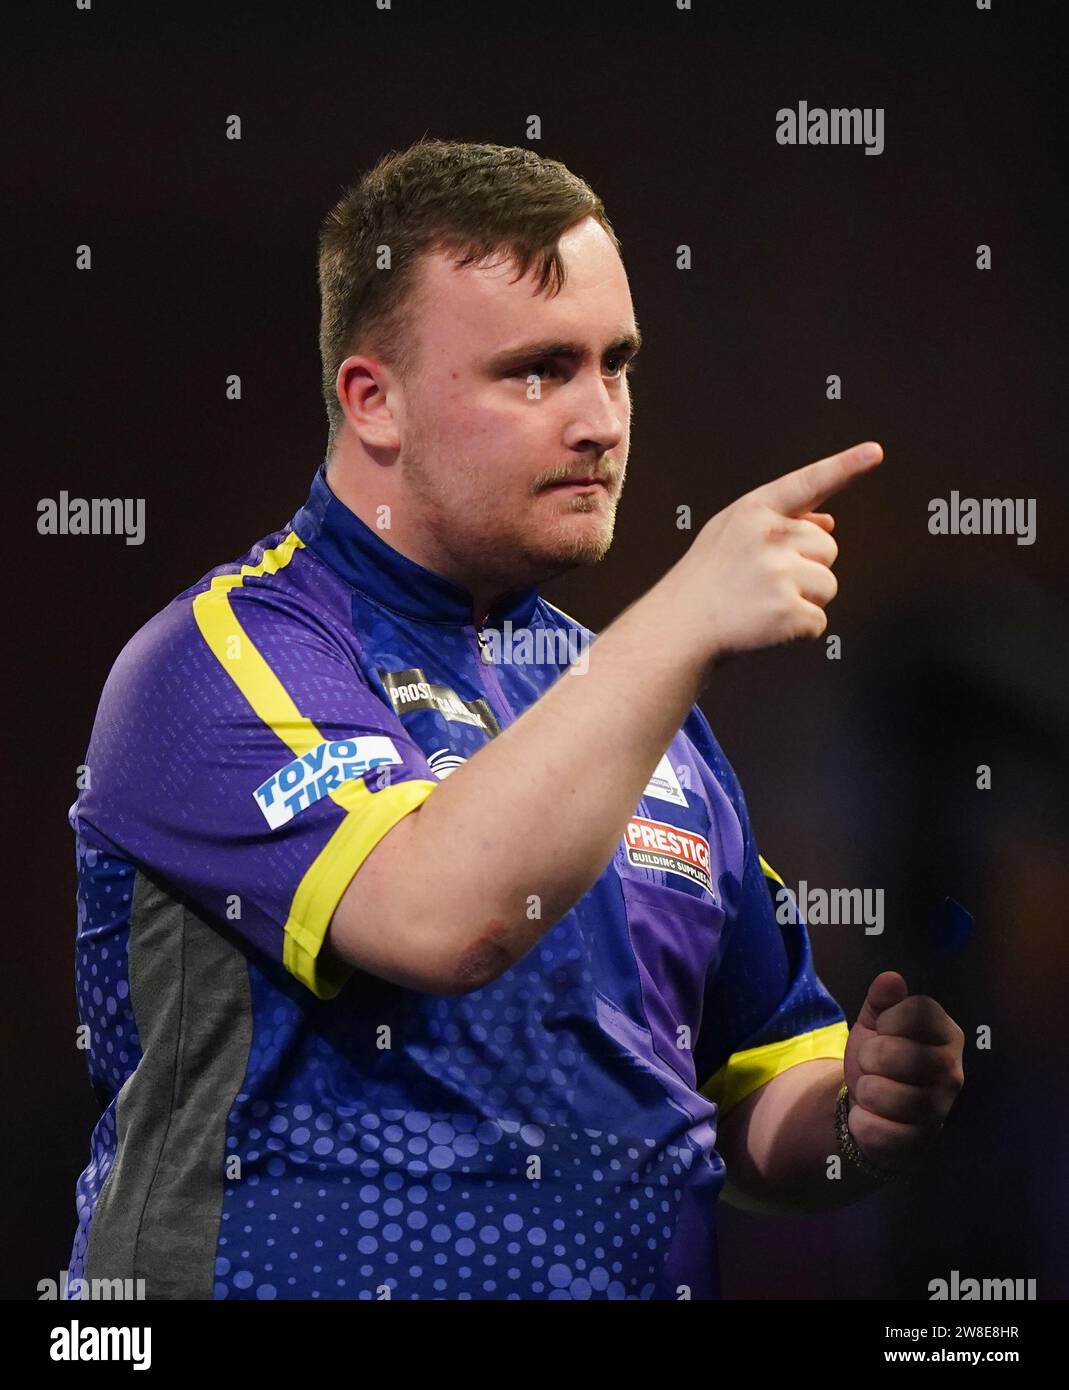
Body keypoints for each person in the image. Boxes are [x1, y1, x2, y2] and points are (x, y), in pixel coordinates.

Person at [67, 139, 964, 1301]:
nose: (602, 420)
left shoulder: (639, 710)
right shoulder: (221, 660)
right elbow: (440, 915)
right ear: (371, 400)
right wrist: (683, 614)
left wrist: (855, 1116)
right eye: (540, 370)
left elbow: (748, 1082)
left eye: (617, 364)